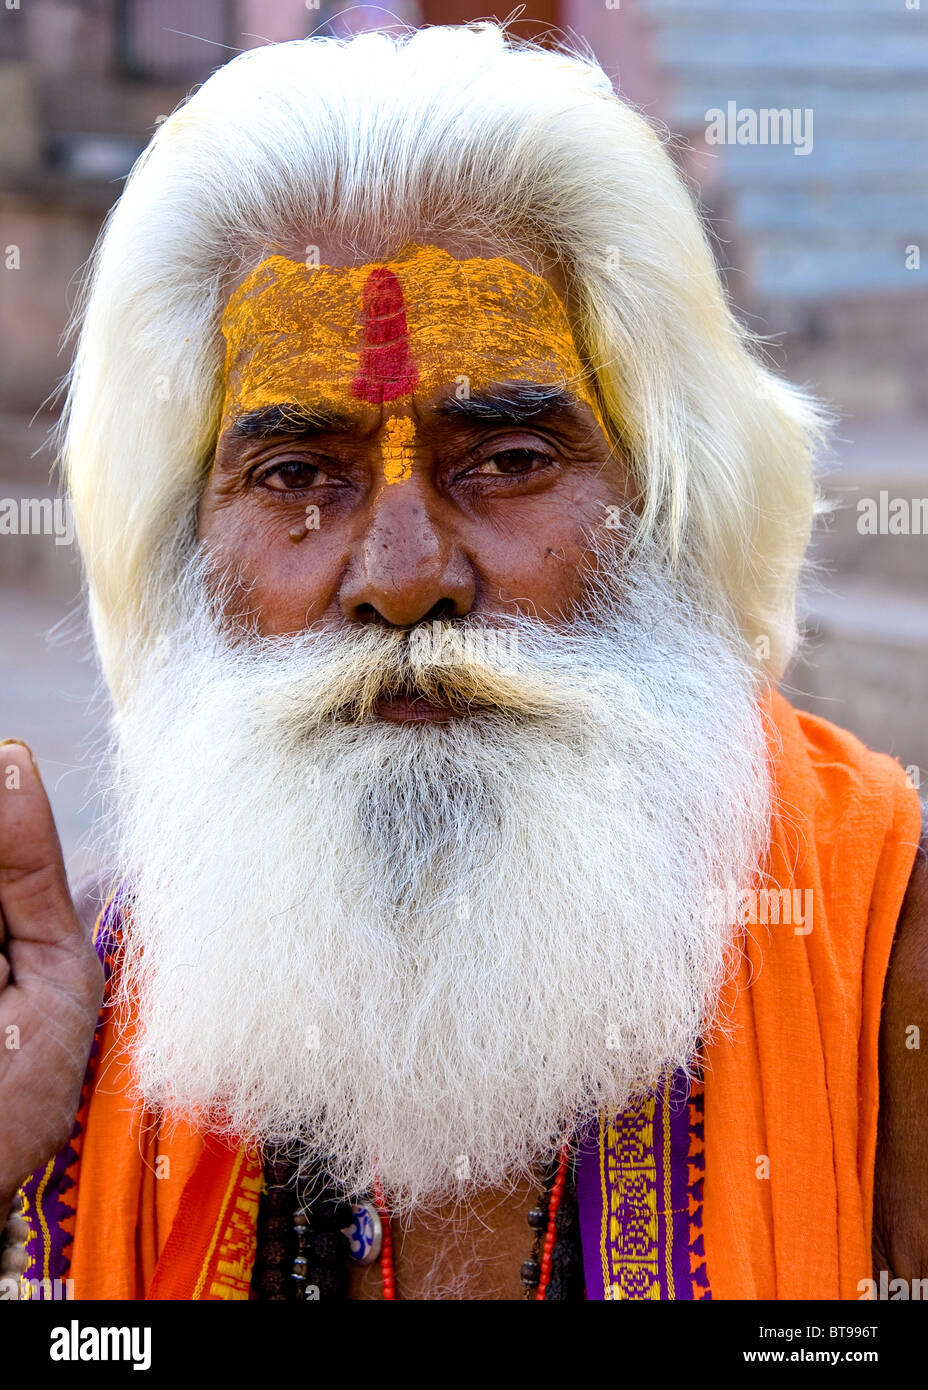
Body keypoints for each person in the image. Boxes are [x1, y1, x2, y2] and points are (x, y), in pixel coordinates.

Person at [0, 22, 924, 1302]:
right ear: (183, 549)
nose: (402, 576)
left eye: (507, 458)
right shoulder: (81, 1011)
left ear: (665, 497)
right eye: (294, 475)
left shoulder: (890, 952)